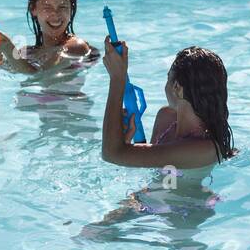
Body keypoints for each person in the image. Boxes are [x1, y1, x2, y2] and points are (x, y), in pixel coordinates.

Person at [101, 43, 236, 170]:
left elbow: (111, 154)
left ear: (177, 88)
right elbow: (152, 169)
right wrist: (125, 142)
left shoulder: (205, 149)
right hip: (152, 193)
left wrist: (117, 79)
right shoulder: (165, 119)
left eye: (168, 78)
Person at [0, 0, 99, 75]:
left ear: (71, 10)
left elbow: (41, 76)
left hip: (67, 100)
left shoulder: (76, 47)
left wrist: (7, 48)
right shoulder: (27, 53)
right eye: (47, 7)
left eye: (62, 7)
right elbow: (11, 69)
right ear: (33, 9)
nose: (55, 14)